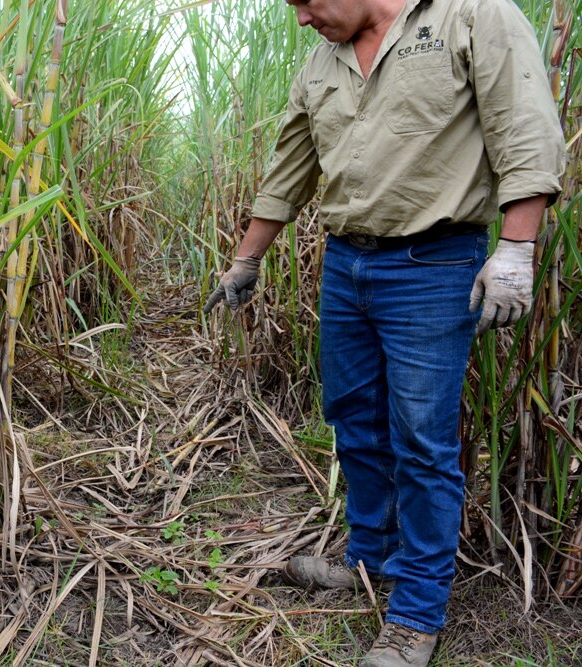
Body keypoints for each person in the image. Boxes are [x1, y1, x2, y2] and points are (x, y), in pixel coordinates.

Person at [203, 0, 566, 664]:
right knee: (354, 416)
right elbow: (291, 163)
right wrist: (247, 258)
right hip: (347, 263)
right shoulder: (323, 61)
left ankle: (416, 613)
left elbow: (525, 127)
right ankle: (368, 559)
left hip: (435, 264)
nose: (302, 21)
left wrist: (516, 250)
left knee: (423, 440)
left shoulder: (471, 15)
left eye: (306, 3)